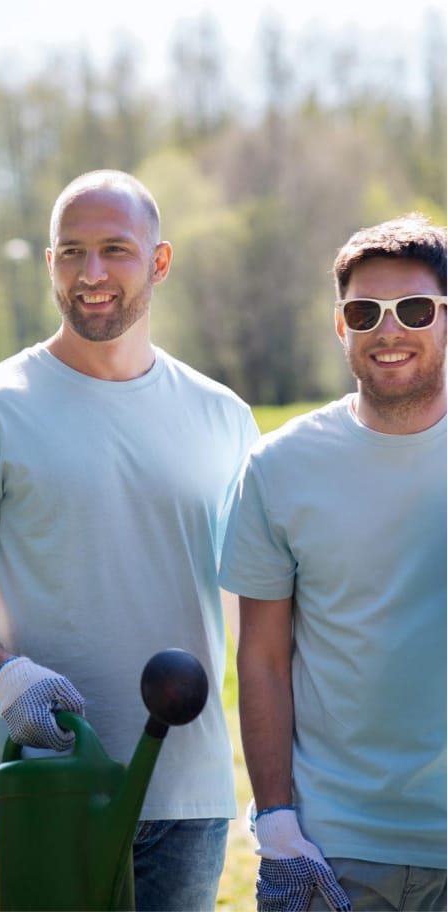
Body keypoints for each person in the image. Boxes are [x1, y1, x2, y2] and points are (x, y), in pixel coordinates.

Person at [0, 170, 258, 910]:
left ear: (158, 262)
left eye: (113, 251)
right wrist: (6, 676)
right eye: (70, 253)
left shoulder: (223, 417)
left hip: (188, 787)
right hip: (48, 780)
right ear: (49, 264)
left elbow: (263, 605)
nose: (90, 275)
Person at [220, 215, 446, 912]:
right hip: (331, 848)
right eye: (362, 311)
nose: (387, 331)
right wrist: (277, 823)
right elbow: (259, 659)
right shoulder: (278, 466)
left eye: (412, 310)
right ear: (338, 325)